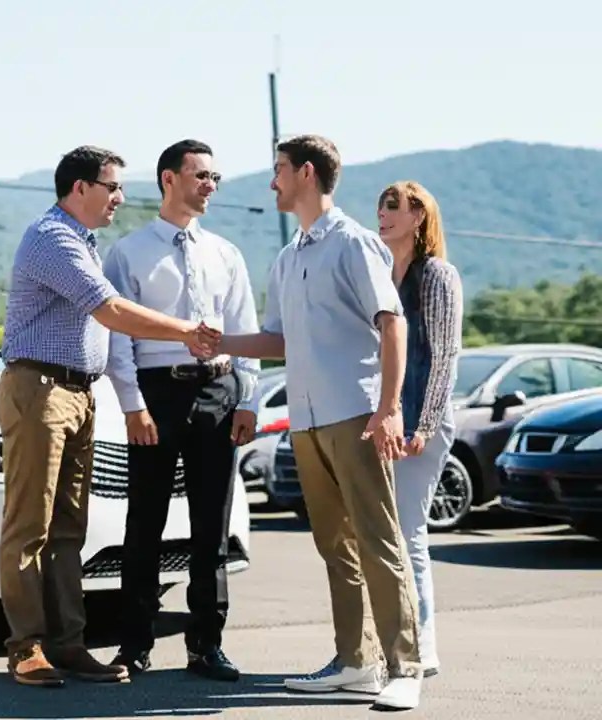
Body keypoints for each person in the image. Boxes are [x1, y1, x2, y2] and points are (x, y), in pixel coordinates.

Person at [208, 134, 423, 710]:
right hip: (305, 420)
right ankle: (356, 662)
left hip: (356, 414)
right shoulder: (287, 256)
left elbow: (391, 324)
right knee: (335, 547)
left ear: (306, 173)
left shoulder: (354, 244)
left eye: (278, 170)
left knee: (379, 542)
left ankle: (404, 667)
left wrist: (390, 407)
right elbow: (280, 339)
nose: (272, 180)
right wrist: (218, 342)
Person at [0, 144, 219, 688]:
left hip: (77, 392)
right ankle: (26, 647)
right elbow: (111, 310)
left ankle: (67, 645)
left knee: (69, 528)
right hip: (41, 389)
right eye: (112, 186)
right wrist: (187, 332)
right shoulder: (52, 238)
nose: (120, 197)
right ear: (80, 188)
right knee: (30, 525)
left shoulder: (85, 242)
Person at [101, 139, 261, 681]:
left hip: (217, 393)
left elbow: (242, 331)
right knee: (143, 522)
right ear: (169, 179)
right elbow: (118, 334)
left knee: (210, 526)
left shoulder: (226, 254)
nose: (210, 185)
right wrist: (132, 405)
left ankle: (207, 644)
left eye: (215, 177)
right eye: (200, 175)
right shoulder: (129, 252)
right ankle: (134, 645)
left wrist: (248, 398)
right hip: (156, 393)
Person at [377, 180, 463, 678]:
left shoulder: (437, 276)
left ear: (419, 218)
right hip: (384, 421)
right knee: (385, 536)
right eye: (381, 207)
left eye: (394, 208)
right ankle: (389, 643)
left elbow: (444, 356)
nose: (383, 215)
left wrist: (425, 424)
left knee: (409, 533)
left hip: (421, 424)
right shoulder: (379, 274)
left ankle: (423, 645)